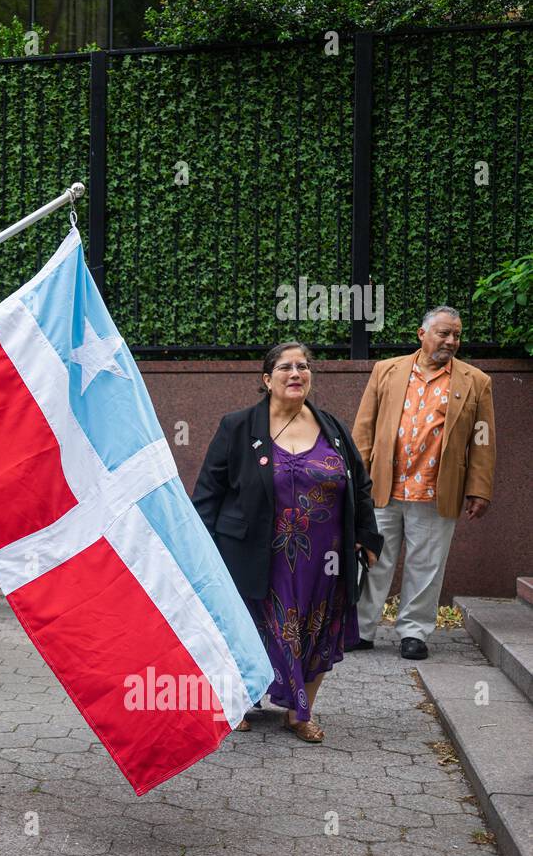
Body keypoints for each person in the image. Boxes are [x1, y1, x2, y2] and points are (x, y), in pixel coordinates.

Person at [192, 342, 382, 743]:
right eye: (285, 367)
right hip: (256, 550)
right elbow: (210, 489)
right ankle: (238, 701)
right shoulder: (239, 427)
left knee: (316, 628)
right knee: (252, 627)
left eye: (303, 366)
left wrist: (367, 535)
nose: (296, 373)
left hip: (323, 558)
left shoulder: (332, 426)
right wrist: (199, 545)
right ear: (267, 379)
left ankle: (300, 712)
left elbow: (359, 485)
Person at [351, 306, 496, 660]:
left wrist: (479, 487)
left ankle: (413, 632)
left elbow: (482, 439)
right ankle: (361, 628)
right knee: (374, 559)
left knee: (426, 563)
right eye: (444, 333)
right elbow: (364, 428)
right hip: (383, 486)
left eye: (456, 335)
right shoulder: (386, 371)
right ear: (422, 334)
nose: (451, 341)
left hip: (436, 489)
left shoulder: (476, 381)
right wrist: (355, 480)